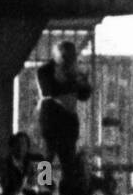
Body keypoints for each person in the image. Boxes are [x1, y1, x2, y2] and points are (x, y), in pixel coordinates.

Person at [36, 41, 92, 177]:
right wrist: (75, 83)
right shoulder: (45, 70)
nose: (69, 61)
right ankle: (44, 187)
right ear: (57, 55)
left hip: (68, 122)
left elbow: (84, 94)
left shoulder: (73, 71)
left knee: (69, 161)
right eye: (65, 57)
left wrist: (82, 83)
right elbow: (48, 90)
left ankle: (69, 188)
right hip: (51, 121)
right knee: (47, 156)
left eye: (71, 57)